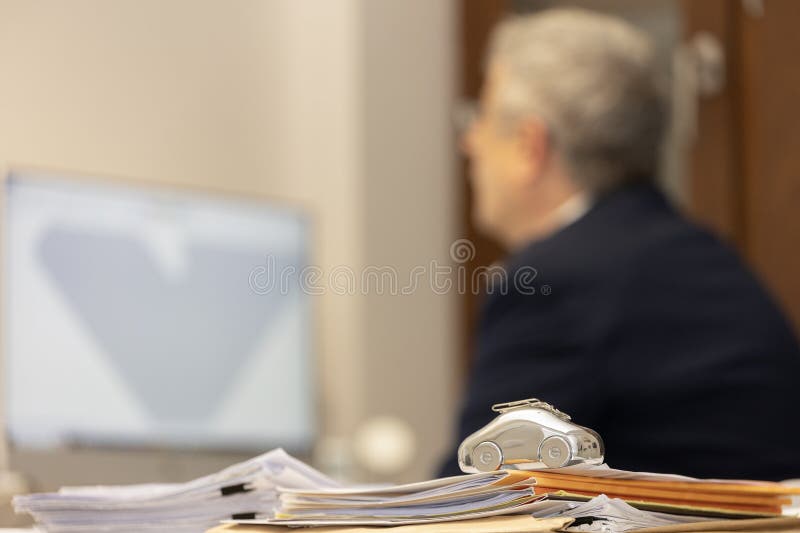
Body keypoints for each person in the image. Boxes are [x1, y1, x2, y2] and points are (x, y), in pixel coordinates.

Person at [439, 9, 800, 480]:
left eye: (480, 117)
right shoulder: (701, 255)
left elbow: (467, 500)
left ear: (530, 146)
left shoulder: (556, 282)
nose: (470, 141)